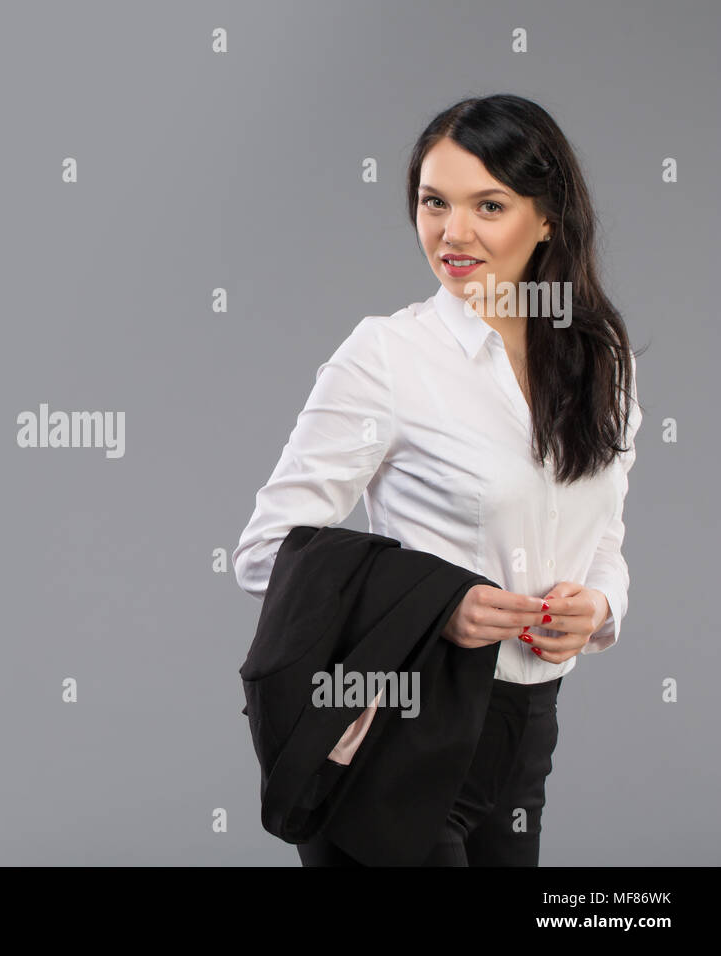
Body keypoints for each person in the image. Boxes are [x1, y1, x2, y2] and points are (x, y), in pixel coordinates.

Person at [233, 94, 643, 866]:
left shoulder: (601, 363)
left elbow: (604, 537)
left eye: (489, 204)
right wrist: (438, 605)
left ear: (548, 217)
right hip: (397, 735)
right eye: (434, 203)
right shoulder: (387, 357)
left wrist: (600, 604)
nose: (453, 233)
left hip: (526, 734)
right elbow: (266, 553)